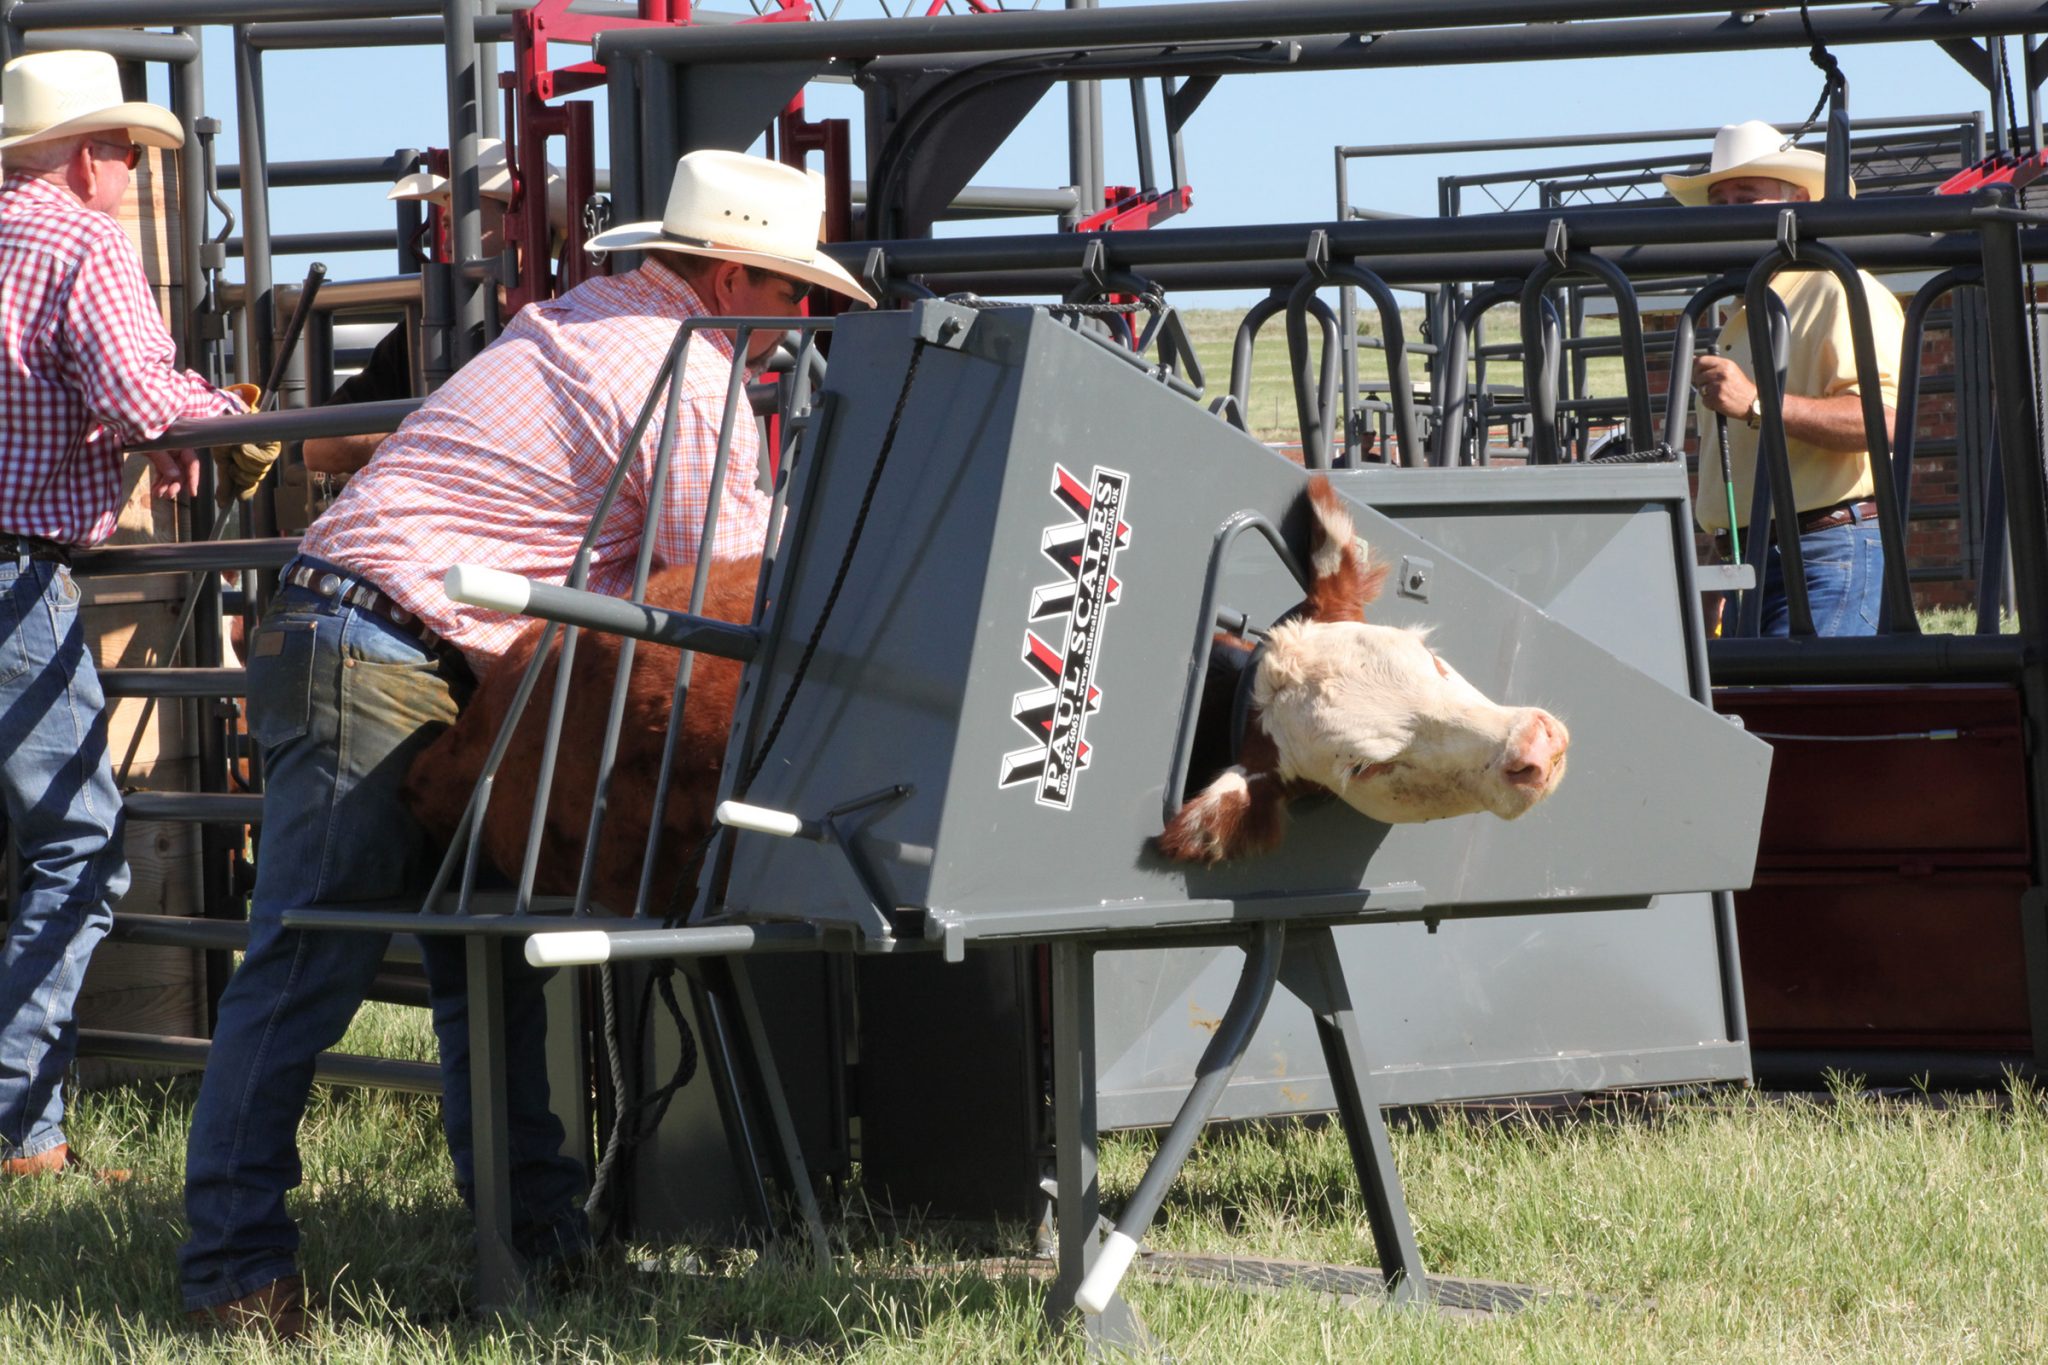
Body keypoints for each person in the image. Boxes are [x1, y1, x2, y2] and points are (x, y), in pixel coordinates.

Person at [179, 148, 873, 1338]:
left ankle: (538, 1245)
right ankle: (233, 1274)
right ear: (727, 277)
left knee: (472, 967)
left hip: (372, 630)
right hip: (394, 644)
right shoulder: (688, 375)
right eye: (785, 289)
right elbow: (727, 596)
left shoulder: (581, 317)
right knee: (314, 967)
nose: (796, 315)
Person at [0, 50, 275, 1181]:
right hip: (11, 568)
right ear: (80, 157)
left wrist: (134, 433)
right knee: (79, 838)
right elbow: (134, 387)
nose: (128, 172)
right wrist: (216, 420)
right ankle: (18, 1131)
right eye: (121, 150)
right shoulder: (80, 240)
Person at [1666, 120, 1907, 637]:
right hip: (1768, 553)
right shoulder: (1747, 301)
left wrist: (1758, 404)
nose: (1729, 216)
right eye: (1720, 202)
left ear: (1795, 201)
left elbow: (1886, 422)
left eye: (1745, 197)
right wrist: (1717, 556)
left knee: (1806, 706)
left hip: (1824, 551)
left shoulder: (1837, 290)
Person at [303, 139, 567, 478]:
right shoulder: (424, 328)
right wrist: (431, 440)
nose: (447, 243)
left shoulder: (578, 319)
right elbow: (319, 449)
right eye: (446, 226)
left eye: (464, 226)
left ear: (517, 227)